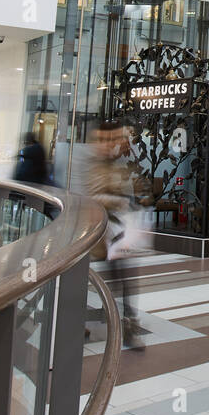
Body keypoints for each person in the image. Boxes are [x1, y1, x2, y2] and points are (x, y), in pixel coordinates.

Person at [72, 120, 149, 350]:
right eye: (105, 140)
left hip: (113, 232)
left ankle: (128, 324)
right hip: (89, 232)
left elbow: (123, 190)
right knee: (78, 280)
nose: (110, 145)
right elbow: (91, 197)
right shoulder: (86, 162)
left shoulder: (114, 163)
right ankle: (75, 323)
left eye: (114, 140)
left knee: (124, 278)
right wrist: (123, 201)